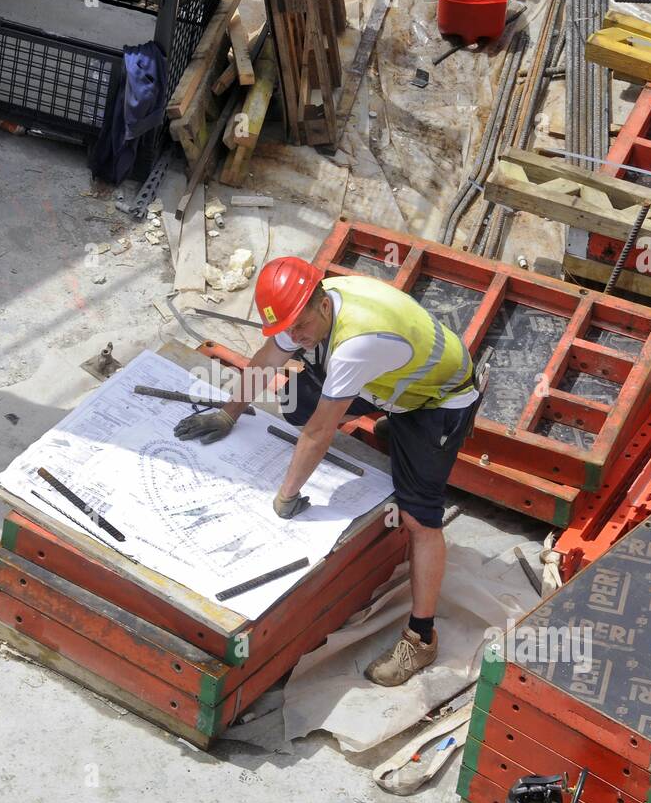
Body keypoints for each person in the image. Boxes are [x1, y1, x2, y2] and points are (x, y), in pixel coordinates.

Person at [174, 257, 480, 686]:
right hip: (392, 381)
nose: (295, 337)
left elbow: (321, 432)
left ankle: (422, 638)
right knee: (297, 401)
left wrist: (286, 495)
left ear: (321, 304)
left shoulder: (358, 343)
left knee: (418, 518)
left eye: (300, 327)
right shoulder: (304, 306)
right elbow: (267, 358)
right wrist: (229, 413)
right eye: (289, 330)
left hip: (435, 402)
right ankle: (390, 423)